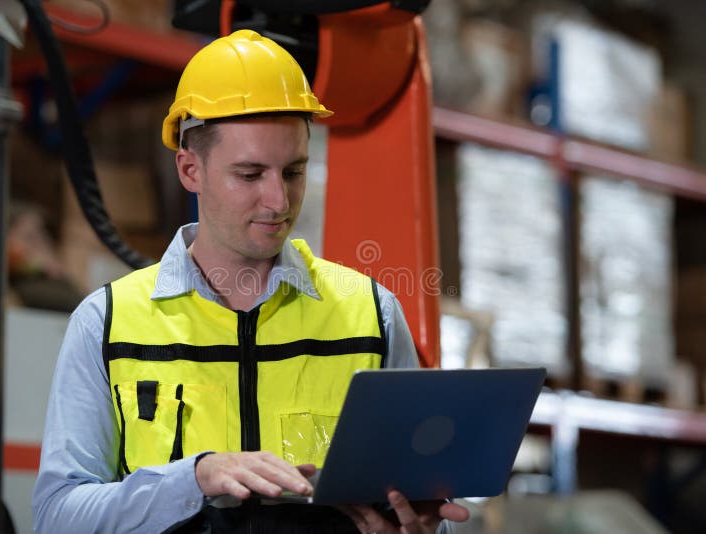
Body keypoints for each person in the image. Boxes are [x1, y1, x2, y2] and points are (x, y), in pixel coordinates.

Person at [32, 29, 469, 533]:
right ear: (190, 169)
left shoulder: (371, 314)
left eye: (293, 172)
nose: (279, 201)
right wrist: (195, 478)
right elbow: (56, 517)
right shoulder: (107, 323)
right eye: (249, 174)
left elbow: (424, 501)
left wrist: (422, 529)